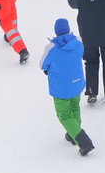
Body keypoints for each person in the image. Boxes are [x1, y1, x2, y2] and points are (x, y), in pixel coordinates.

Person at [40, 18, 95, 156]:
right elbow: (81, 54)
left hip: (61, 88)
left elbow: (42, 65)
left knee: (64, 115)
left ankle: (83, 141)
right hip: (77, 83)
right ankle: (73, 134)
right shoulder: (78, 42)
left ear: (56, 31)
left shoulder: (51, 48)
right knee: (75, 106)